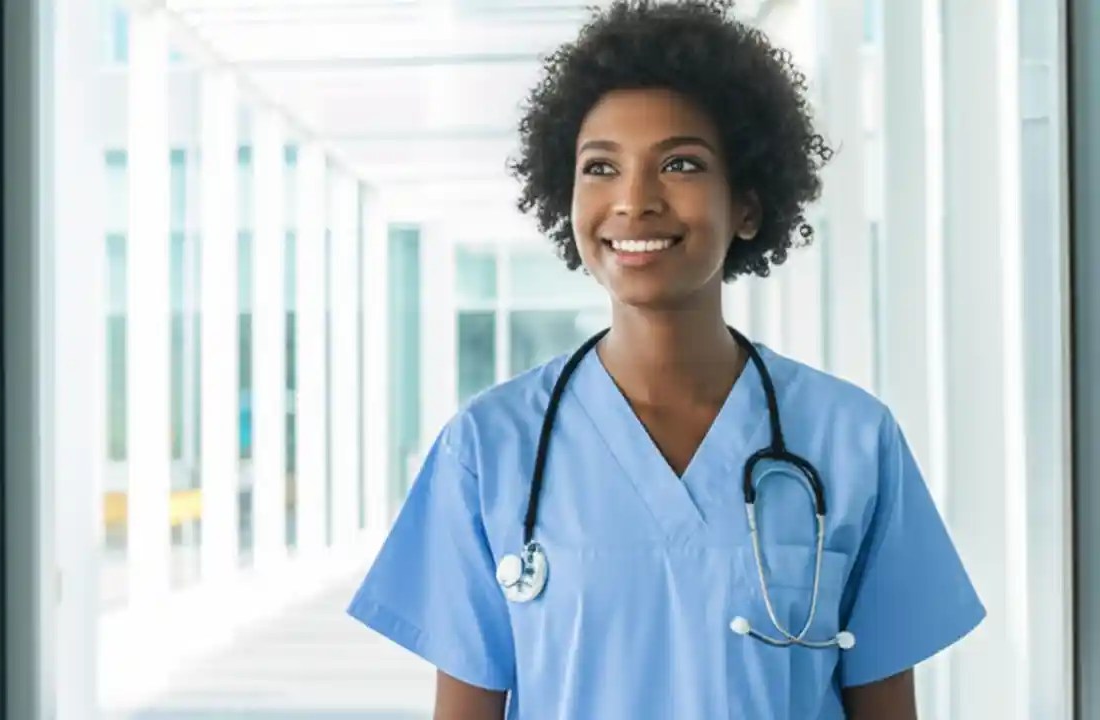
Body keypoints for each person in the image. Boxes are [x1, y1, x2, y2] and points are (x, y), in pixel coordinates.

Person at [346, 1, 985, 717]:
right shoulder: (490, 448)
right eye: (600, 167)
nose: (635, 201)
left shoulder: (852, 439)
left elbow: (886, 705)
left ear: (746, 204)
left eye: (680, 164)